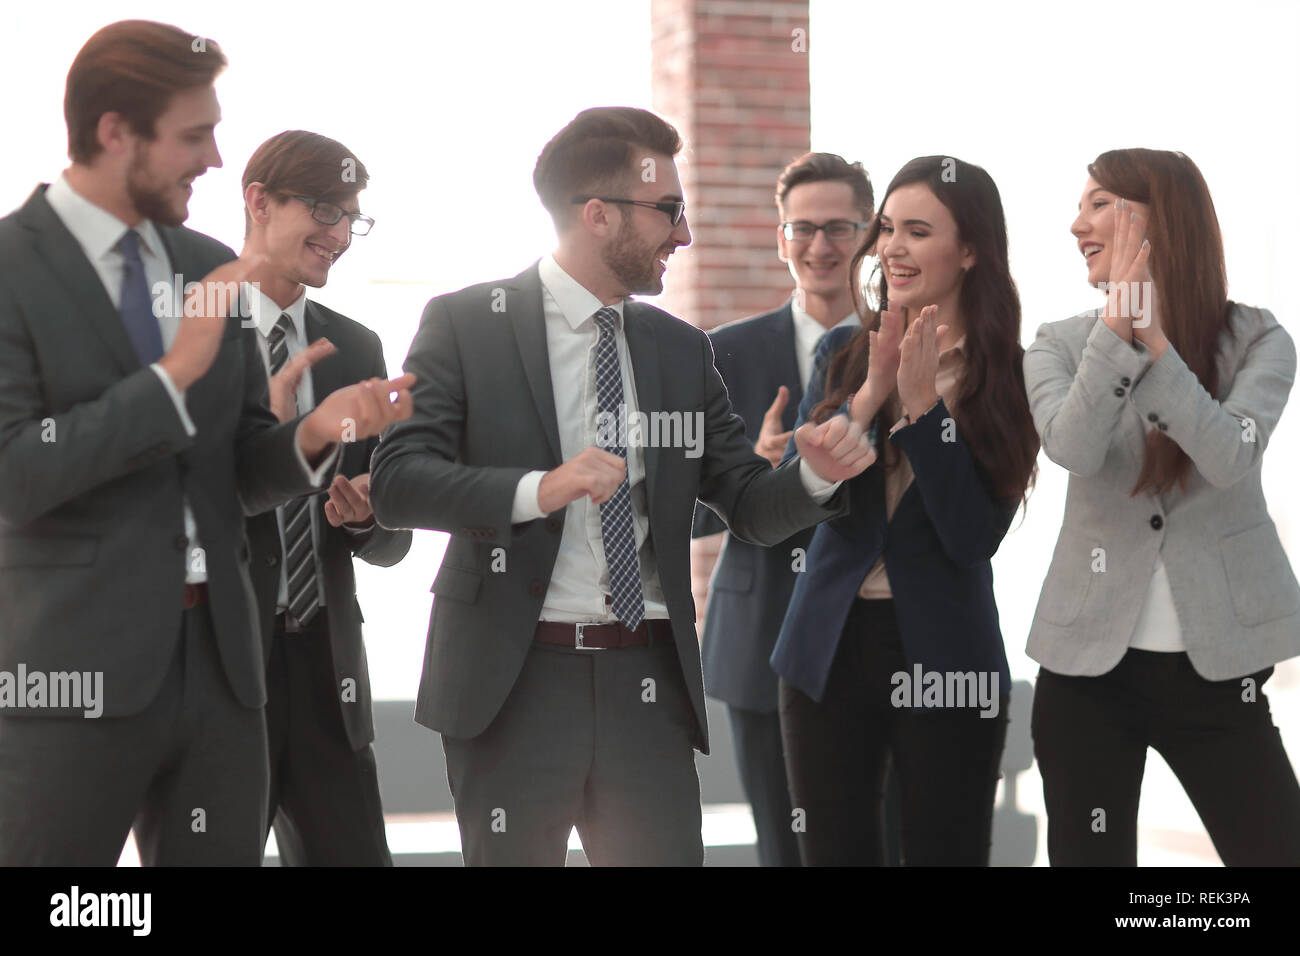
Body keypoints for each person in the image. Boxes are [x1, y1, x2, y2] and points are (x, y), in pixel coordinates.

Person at [369, 106, 875, 866]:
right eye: (669, 211)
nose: (684, 234)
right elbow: (399, 484)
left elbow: (746, 503)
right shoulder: (468, 323)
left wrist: (811, 476)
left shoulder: (679, 349)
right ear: (598, 214)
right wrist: (538, 489)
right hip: (512, 684)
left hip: (648, 683)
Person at [0, 20, 413, 866]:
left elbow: (241, 473)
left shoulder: (204, 264)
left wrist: (315, 433)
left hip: (226, 672)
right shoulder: (10, 270)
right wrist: (170, 378)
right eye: (196, 136)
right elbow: (16, 475)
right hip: (76, 675)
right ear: (116, 132)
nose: (216, 160)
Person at [1024, 147, 1300, 866]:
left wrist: (1152, 340)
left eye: (1098, 204)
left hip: (1218, 676)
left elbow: (1228, 455)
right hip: (1084, 677)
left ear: (1161, 219)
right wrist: (1118, 335)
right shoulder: (1058, 343)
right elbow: (1073, 448)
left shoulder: (1260, 341)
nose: (1075, 223)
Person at [772, 155, 1039, 865]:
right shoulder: (841, 351)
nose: (890, 246)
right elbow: (806, 499)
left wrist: (922, 408)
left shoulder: (1015, 375)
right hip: (828, 645)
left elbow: (971, 535)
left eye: (917, 231)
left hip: (947, 651)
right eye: (887, 228)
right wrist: (872, 393)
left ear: (972, 249)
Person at [690, 152, 872, 867]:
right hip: (761, 631)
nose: (820, 246)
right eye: (802, 228)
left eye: (839, 228)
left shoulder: (904, 349)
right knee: (783, 849)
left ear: (869, 234)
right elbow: (689, 515)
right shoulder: (719, 354)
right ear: (780, 237)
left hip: (877, 630)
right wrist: (753, 476)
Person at [240, 130, 412, 865]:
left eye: (350, 218)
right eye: (323, 210)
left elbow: (394, 535)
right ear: (258, 201)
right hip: (220, 662)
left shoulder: (358, 348)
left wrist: (370, 518)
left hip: (326, 665)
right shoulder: (189, 329)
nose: (339, 235)